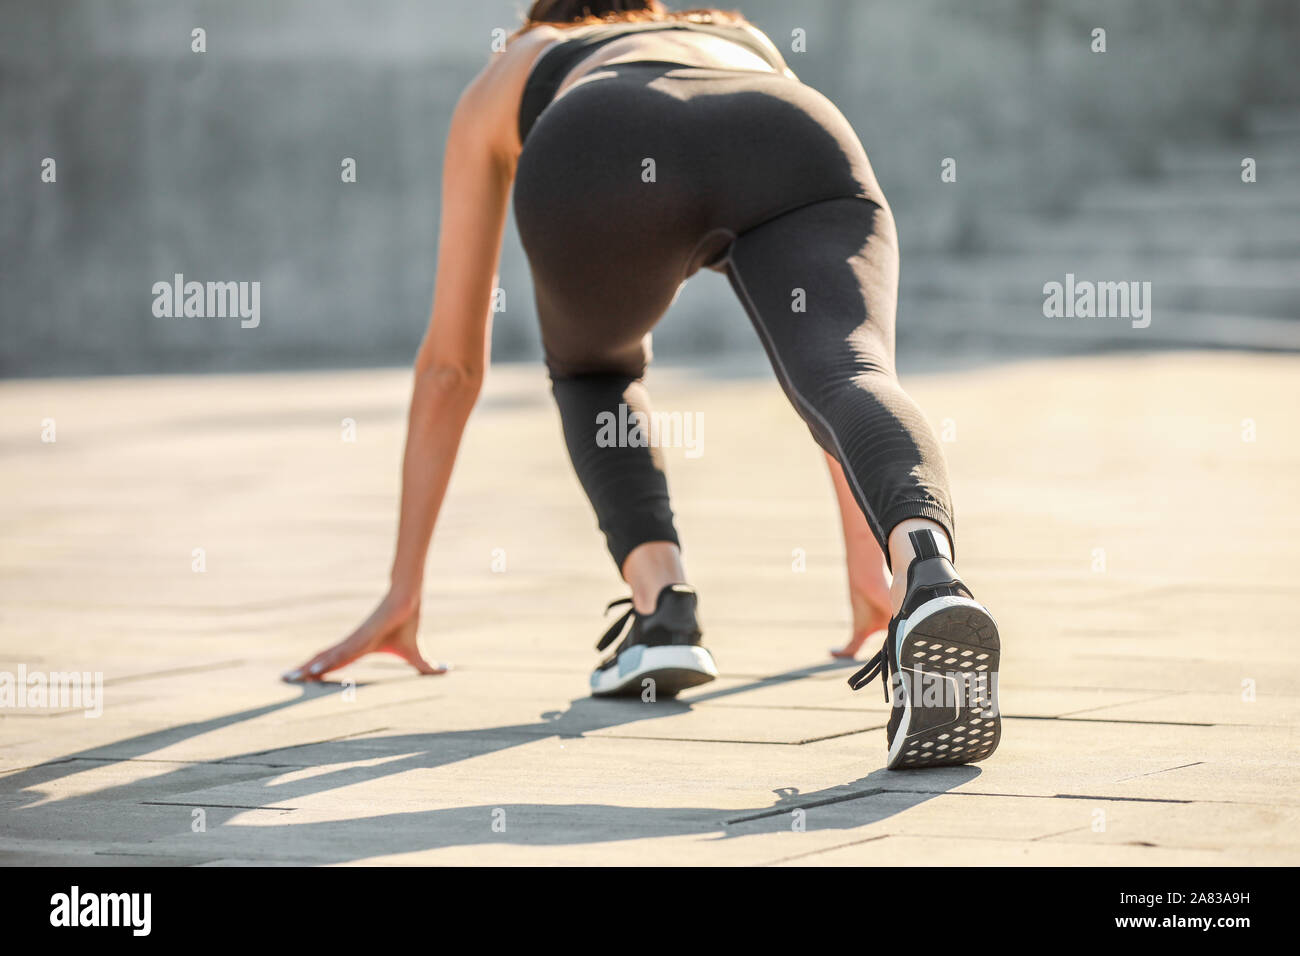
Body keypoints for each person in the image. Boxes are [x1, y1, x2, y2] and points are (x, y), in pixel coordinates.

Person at [284, 0, 1000, 769]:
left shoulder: (513, 67)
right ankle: (925, 571)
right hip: (786, 123)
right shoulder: (731, 30)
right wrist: (869, 565)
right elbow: (821, 397)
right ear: (648, 9)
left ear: (541, 16)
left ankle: (664, 609)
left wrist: (403, 590)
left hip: (599, 136)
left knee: (596, 369)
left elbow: (452, 365)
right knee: (847, 370)